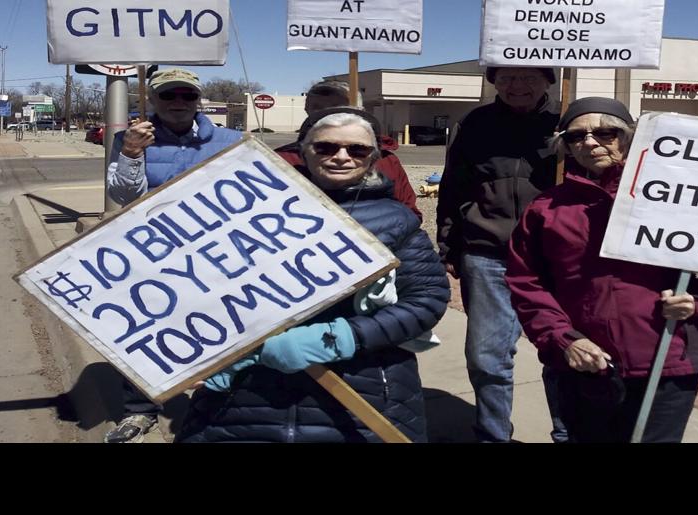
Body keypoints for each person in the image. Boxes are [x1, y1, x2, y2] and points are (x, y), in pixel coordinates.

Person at [176, 108, 450, 443]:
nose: (342, 157)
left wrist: (340, 337)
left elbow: (426, 301)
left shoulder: (397, 222)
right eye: (326, 147)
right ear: (304, 150)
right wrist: (203, 355)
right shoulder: (246, 212)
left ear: (373, 158)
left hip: (362, 390)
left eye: (357, 150)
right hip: (248, 394)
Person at [505, 98, 698, 443]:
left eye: (605, 132)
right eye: (576, 136)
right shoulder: (546, 209)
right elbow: (526, 282)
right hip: (586, 365)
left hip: (665, 359)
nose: (590, 142)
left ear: (629, 137)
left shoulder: (676, 197)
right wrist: (563, 338)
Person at [102, 68, 244, 443]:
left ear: (198, 100)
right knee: (143, 329)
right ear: (153, 100)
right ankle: (140, 411)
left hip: (217, 255)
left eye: (187, 95)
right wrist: (132, 152)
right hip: (153, 253)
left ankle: (218, 404)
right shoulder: (129, 139)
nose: (179, 103)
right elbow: (123, 196)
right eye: (169, 96)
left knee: (224, 328)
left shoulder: (232, 139)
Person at [436, 66, 561, 442]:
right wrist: (449, 242)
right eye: (506, 77)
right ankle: (493, 434)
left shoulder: (567, 122)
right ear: (494, 82)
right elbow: (453, 185)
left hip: (557, 258)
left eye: (528, 77)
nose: (516, 86)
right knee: (487, 357)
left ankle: (570, 433)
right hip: (489, 254)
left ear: (549, 81)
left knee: (562, 354)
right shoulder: (475, 123)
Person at [275, 82, 420, 222]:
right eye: (317, 108)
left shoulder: (387, 161)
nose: (327, 115)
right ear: (307, 109)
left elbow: (408, 213)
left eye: (337, 108)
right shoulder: (281, 160)